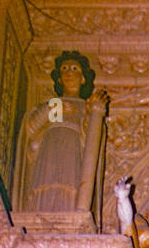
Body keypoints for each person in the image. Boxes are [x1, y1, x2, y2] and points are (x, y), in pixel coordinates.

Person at [17, 52, 108, 220]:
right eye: (64, 69)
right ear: (58, 78)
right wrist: (54, 109)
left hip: (72, 156)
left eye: (74, 69)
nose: (69, 72)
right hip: (50, 153)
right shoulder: (54, 104)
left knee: (69, 187)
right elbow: (31, 130)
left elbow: (89, 139)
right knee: (46, 185)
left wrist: (92, 112)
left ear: (82, 78)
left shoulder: (84, 106)